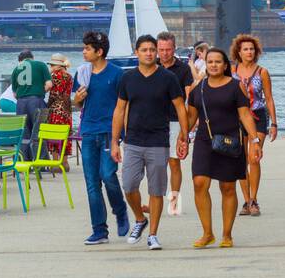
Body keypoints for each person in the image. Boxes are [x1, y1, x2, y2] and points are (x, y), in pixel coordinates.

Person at [111, 34, 188, 250]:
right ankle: (139, 219)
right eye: (144, 50)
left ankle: (153, 234)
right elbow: (119, 110)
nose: (149, 53)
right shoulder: (128, 78)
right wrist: (115, 141)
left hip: (158, 141)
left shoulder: (168, 78)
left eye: (152, 50)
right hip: (133, 140)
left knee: (156, 190)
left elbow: (181, 107)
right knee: (128, 185)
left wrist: (184, 135)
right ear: (137, 53)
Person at [187, 46, 261, 248]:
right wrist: (182, 136)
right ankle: (207, 233)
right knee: (199, 182)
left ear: (225, 65)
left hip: (230, 140)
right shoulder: (198, 88)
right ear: (205, 64)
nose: (213, 65)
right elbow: (191, 117)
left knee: (227, 187)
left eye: (217, 61)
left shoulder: (235, 86)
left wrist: (254, 141)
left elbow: (245, 115)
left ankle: (227, 234)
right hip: (205, 140)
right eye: (210, 61)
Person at [72, 31, 129, 245]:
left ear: (99, 51)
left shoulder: (117, 74)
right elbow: (77, 104)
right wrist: (76, 99)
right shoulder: (82, 73)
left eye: (87, 48)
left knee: (107, 175)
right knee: (91, 183)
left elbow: (124, 106)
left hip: (108, 132)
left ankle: (120, 209)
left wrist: (121, 135)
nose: (83, 52)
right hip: (88, 131)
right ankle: (99, 230)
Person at [230, 33, 278, 215]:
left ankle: (254, 199)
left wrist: (274, 123)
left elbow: (269, 98)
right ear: (239, 52)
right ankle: (246, 201)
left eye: (251, 49)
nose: (249, 52)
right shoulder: (232, 72)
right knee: (241, 161)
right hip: (237, 117)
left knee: (253, 158)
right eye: (245, 49)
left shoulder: (262, 72)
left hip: (258, 116)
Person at [157, 30, 195, 215]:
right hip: (153, 120)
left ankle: (174, 201)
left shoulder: (183, 69)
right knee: (156, 163)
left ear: (174, 48)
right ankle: (156, 199)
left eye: (168, 49)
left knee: (174, 162)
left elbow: (189, 96)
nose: (164, 53)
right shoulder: (151, 66)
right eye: (161, 49)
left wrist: (187, 126)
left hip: (174, 120)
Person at [10, 49, 52, 161]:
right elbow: (49, 84)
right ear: (32, 57)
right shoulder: (41, 65)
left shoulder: (16, 69)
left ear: (21, 60)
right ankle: (41, 161)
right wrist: (40, 91)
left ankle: (25, 160)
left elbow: (14, 94)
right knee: (39, 132)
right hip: (36, 101)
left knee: (24, 134)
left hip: (21, 103)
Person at [46, 55, 73, 164]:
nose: (51, 66)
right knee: (65, 135)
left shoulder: (53, 76)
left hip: (55, 109)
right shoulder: (69, 76)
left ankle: (55, 162)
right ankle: (65, 162)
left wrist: (48, 105)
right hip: (66, 109)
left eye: (52, 65)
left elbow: (53, 95)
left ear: (57, 65)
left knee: (54, 135)